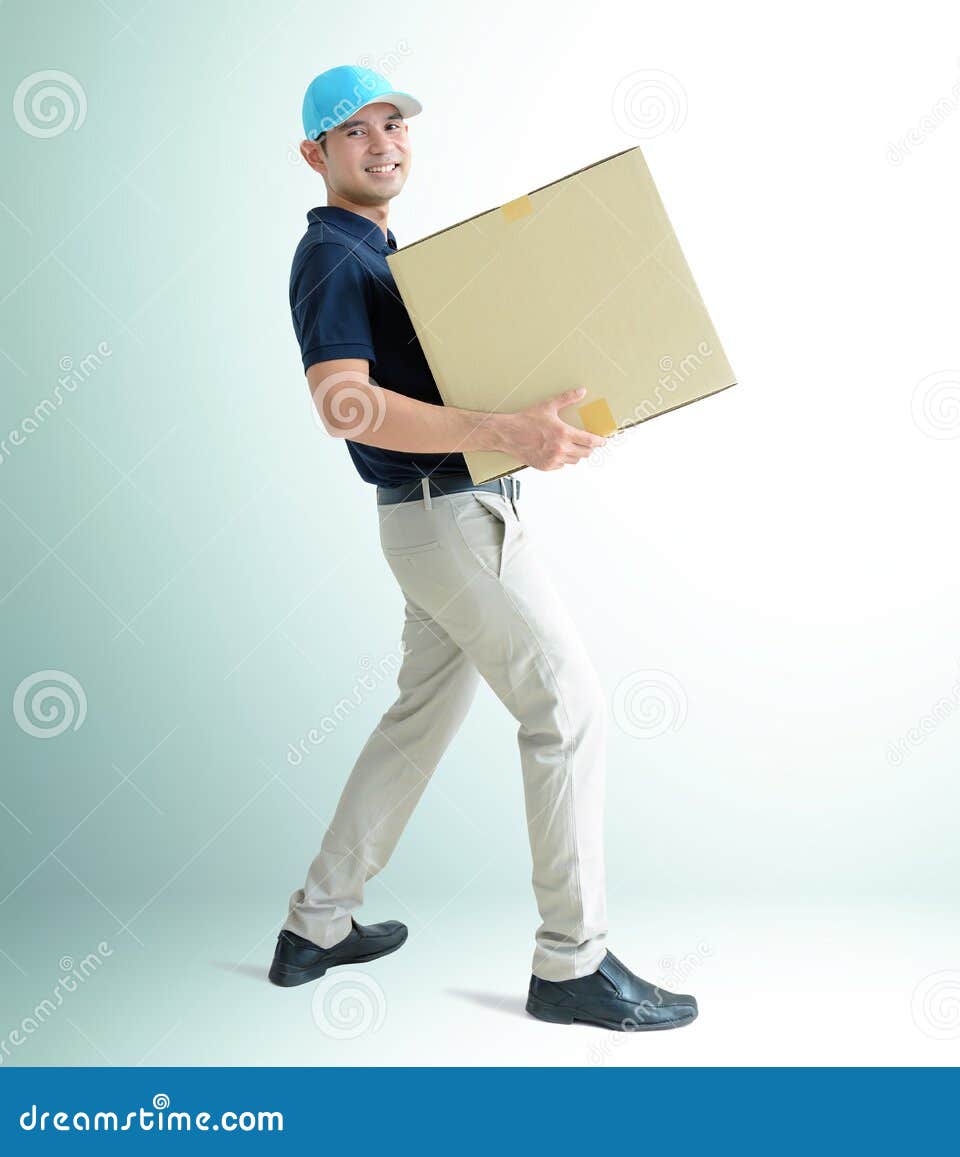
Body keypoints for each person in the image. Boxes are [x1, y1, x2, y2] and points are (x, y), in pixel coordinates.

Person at [267, 64, 696, 1032]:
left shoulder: (381, 251)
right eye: (354, 131)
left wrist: (529, 427)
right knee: (568, 709)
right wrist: (502, 430)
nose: (382, 143)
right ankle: (572, 963)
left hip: (439, 516)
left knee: (419, 718)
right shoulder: (332, 255)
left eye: (394, 125)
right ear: (314, 154)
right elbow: (343, 405)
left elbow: (431, 390)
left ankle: (317, 923)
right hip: (450, 520)